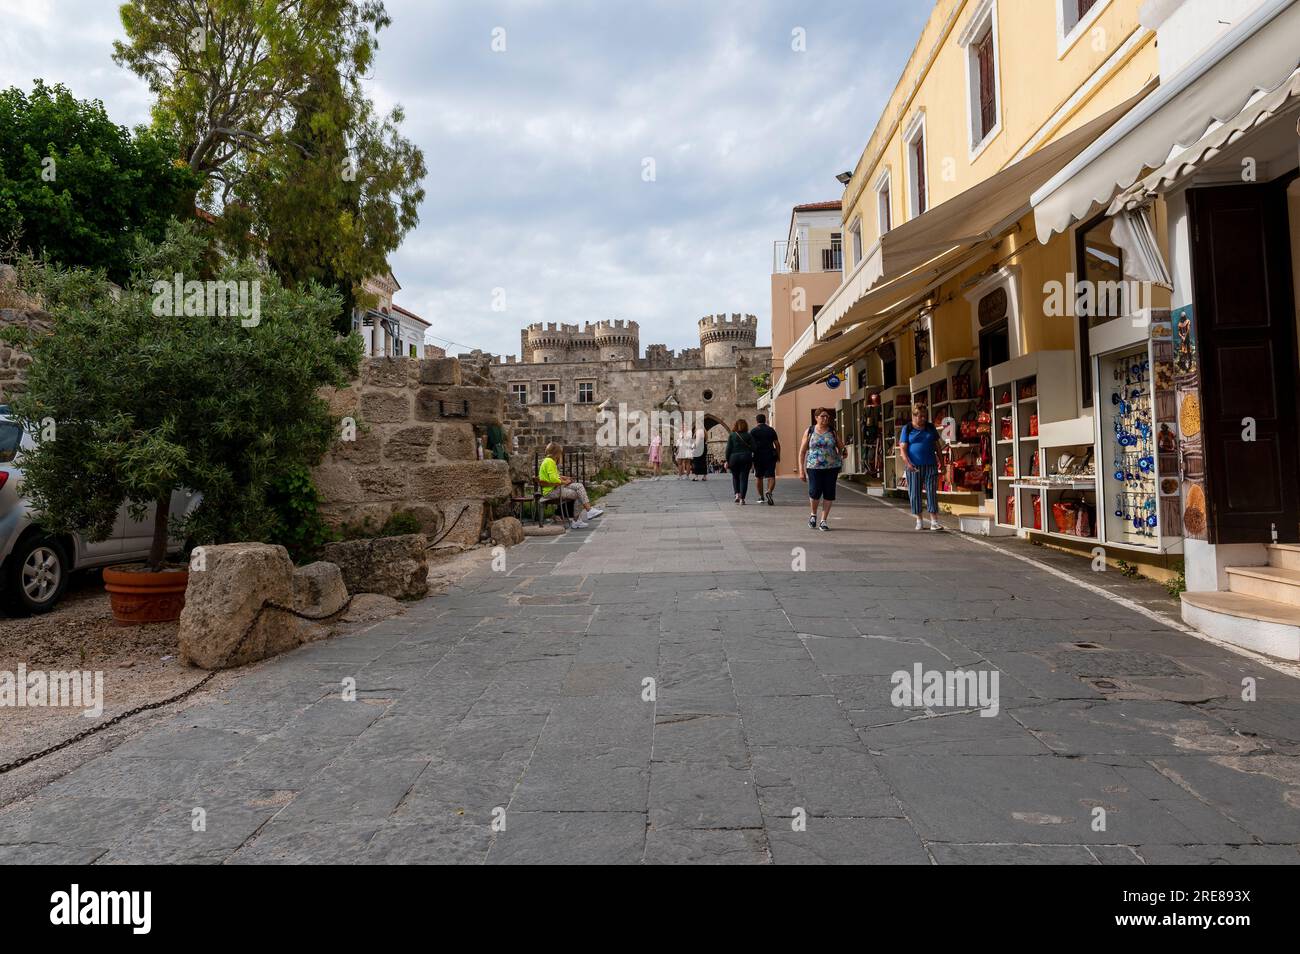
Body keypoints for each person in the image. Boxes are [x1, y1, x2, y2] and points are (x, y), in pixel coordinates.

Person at [797, 408, 845, 531]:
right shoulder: (810, 431)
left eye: (827, 417)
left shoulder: (832, 431)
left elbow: (842, 447)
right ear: (816, 417)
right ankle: (813, 515)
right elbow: (802, 452)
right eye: (823, 416)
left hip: (831, 467)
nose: (825, 418)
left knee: (829, 493)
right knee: (814, 492)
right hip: (814, 467)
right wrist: (801, 470)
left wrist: (842, 454)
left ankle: (823, 520)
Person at [538, 442, 603, 529]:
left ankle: (587, 512)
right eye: (560, 453)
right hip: (551, 491)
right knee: (578, 494)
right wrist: (566, 482)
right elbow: (554, 479)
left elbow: (553, 476)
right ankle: (579, 519)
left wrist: (564, 478)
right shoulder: (550, 462)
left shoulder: (547, 461)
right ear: (557, 453)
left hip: (556, 488)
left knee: (579, 486)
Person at [900, 402, 943, 530]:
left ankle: (934, 522)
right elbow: (903, 449)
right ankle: (919, 520)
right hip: (914, 466)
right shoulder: (907, 429)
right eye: (921, 416)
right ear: (914, 416)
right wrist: (908, 464)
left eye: (925, 416)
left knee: (931, 492)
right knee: (915, 493)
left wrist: (943, 463)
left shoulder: (930, 427)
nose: (923, 419)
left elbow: (937, 447)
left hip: (931, 465)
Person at [749, 413, 780, 506]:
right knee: (771, 476)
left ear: (757, 421)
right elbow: (777, 444)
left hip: (758, 456)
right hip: (770, 455)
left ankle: (761, 497)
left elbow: (750, 445)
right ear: (765, 420)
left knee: (759, 477)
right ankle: (769, 491)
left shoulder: (753, 431)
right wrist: (778, 455)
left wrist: (751, 457)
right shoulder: (771, 430)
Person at [726, 419, 755, 505]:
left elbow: (728, 449)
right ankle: (742, 498)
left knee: (735, 477)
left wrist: (727, 460)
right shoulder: (749, 436)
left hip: (734, 458)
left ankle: (737, 495)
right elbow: (754, 448)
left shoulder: (732, 435)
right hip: (746, 457)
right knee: (744, 478)